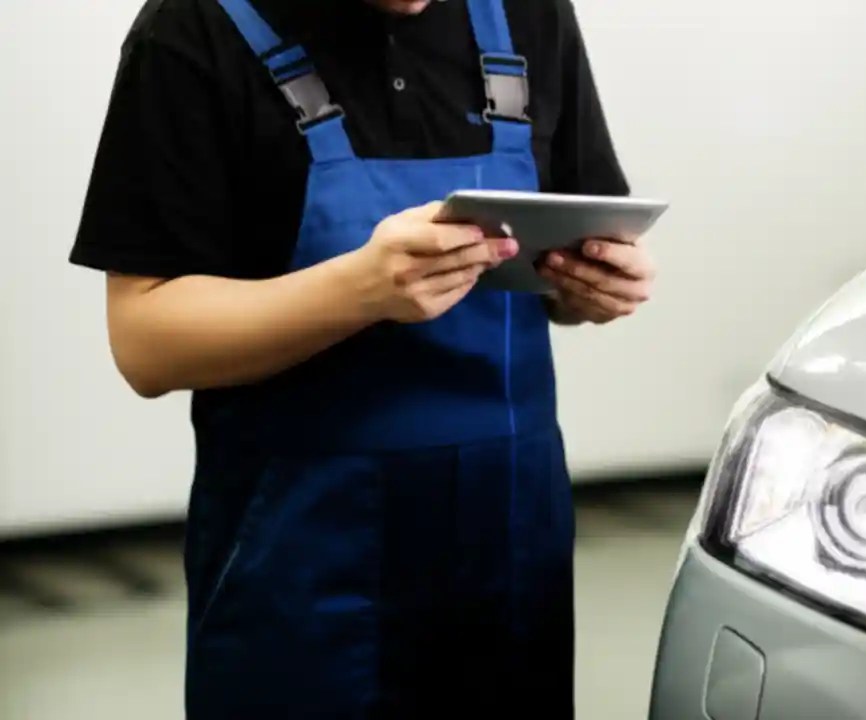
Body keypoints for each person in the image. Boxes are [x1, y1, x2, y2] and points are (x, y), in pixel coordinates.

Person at [68, 0, 655, 716]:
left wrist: (589, 287)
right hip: (300, 567)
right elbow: (145, 342)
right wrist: (359, 290)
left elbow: (562, 261)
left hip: (509, 551)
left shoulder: (531, 15)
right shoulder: (193, 29)